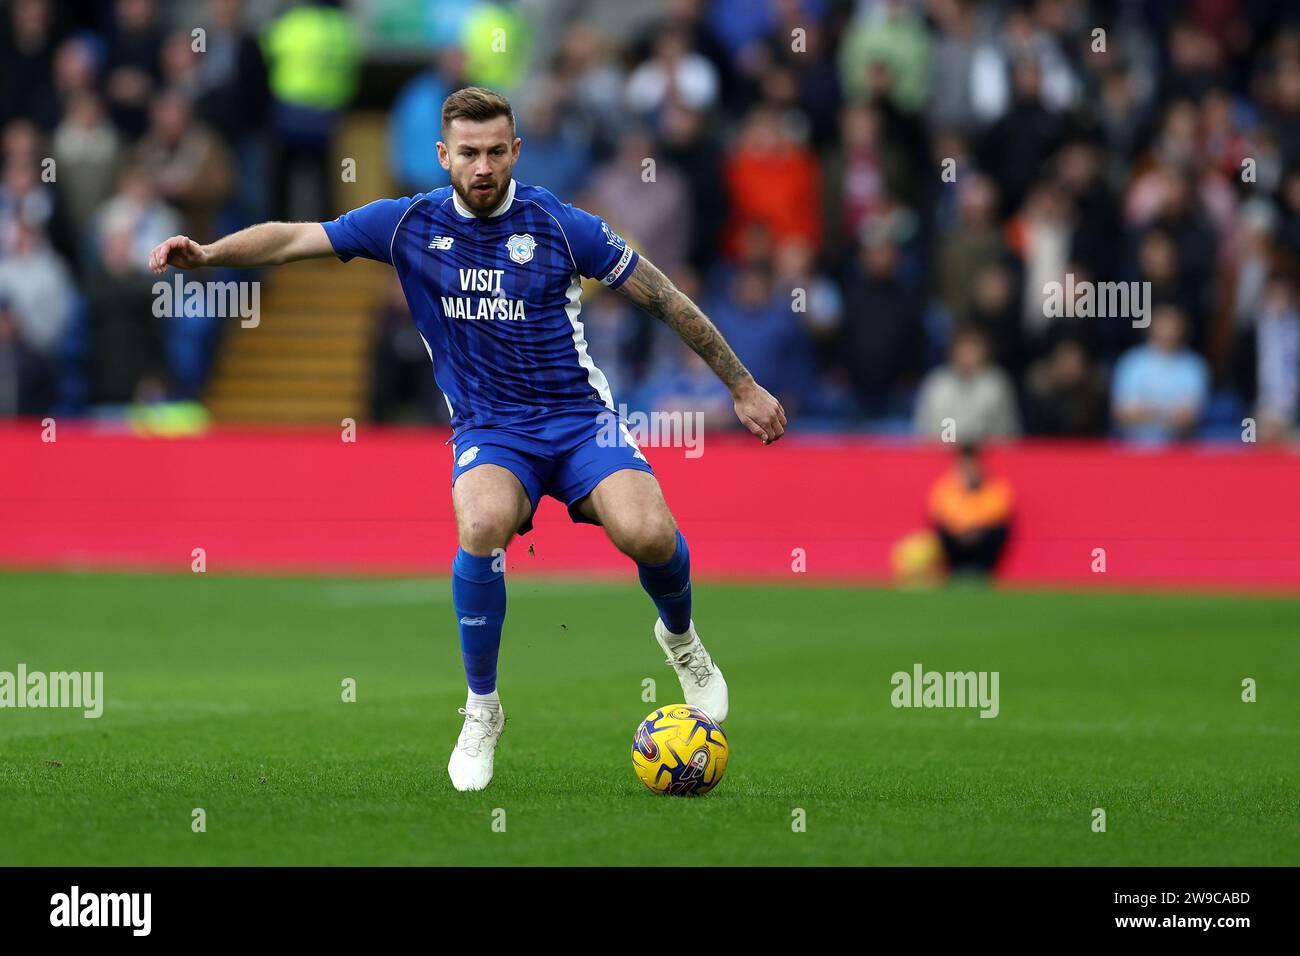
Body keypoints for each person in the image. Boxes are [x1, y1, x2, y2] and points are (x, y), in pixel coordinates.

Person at [147, 86, 785, 792]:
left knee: (649, 534)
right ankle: (483, 708)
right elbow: (299, 237)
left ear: (516, 150)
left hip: (578, 421)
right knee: (479, 522)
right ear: (444, 155)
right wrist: (208, 255)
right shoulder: (405, 225)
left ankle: (682, 642)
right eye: (470, 153)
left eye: (496, 152)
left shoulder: (561, 225)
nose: (484, 167)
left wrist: (742, 385)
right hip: (492, 429)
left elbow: (664, 297)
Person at [928, 443, 1012, 577]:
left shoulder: (994, 488)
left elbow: (997, 516)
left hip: (984, 540)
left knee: (1002, 529)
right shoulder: (946, 488)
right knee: (936, 529)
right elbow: (943, 517)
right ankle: (952, 571)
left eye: (973, 465)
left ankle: (986, 572)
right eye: (965, 466)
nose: (970, 470)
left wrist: (976, 531)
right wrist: (962, 532)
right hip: (954, 540)